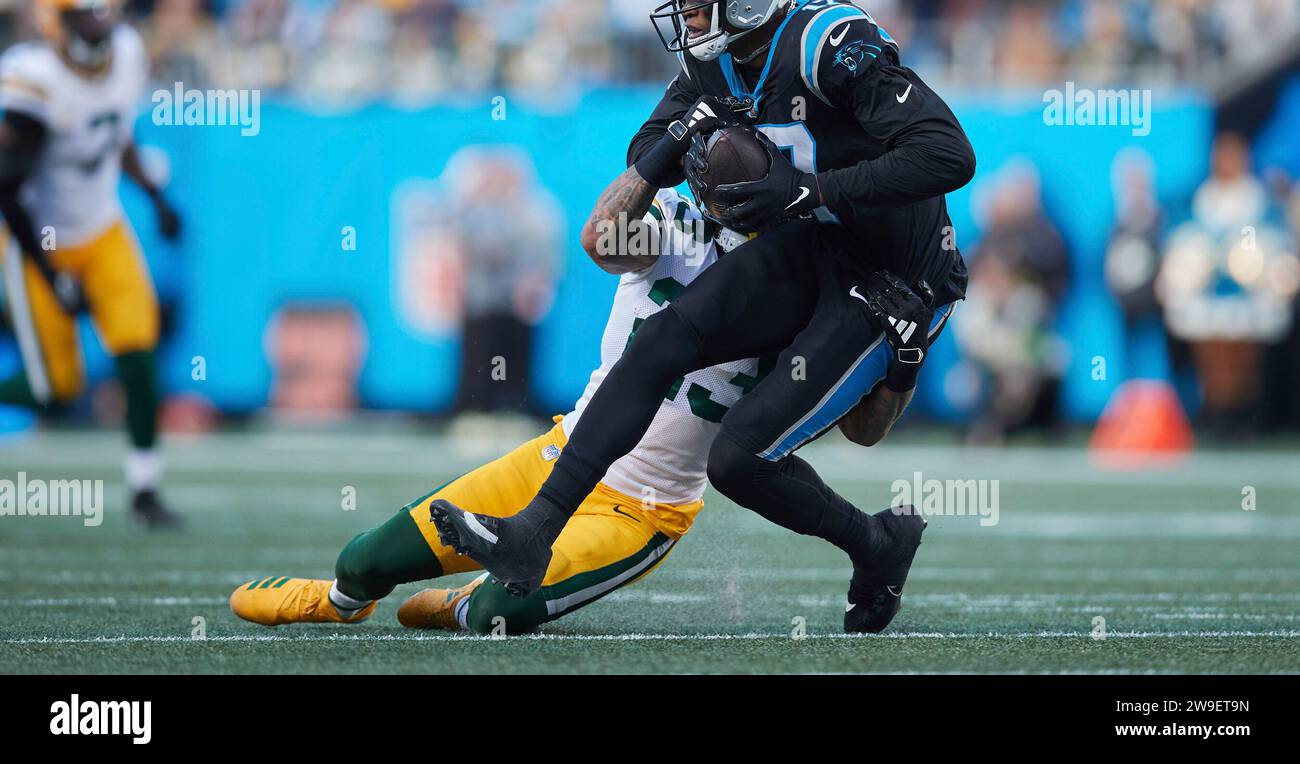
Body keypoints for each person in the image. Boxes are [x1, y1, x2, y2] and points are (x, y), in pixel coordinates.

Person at [429, 0, 974, 634]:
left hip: (891, 276)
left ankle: (877, 543)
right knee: (662, 339)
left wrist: (811, 191)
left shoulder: (828, 44)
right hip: (812, 241)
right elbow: (640, 162)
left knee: (738, 461)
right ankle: (534, 531)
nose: (684, 5)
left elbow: (948, 155)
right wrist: (683, 138)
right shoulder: (712, 60)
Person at [230, 179, 914, 634]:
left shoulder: (815, 291)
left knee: (495, 615)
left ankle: (466, 602)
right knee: (363, 559)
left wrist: (903, 361)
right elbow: (601, 240)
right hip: (557, 458)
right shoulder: (675, 224)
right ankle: (340, 602)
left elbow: (863, 430)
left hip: (642, 509)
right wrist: (657, 158)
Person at [0, 0, 183, 527]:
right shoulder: (34, 81)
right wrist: (51, 273)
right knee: (56, 388)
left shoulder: (127, 54)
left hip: (102, 227)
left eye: (104, 11)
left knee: (138, 351)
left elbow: (116, 134)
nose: (98, 24)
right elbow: (6, 192)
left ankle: (145, 490)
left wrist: (155, 197)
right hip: (37, 239)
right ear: (54, 18)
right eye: (84, 13)